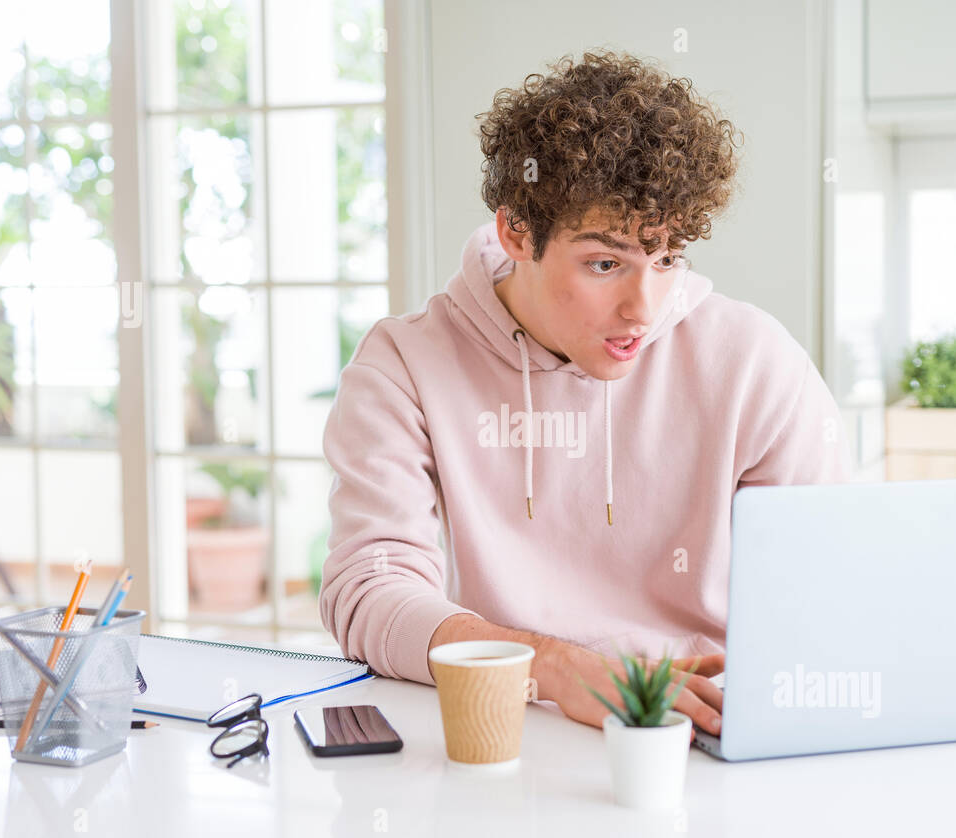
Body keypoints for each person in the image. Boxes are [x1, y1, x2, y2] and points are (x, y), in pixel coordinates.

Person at [319, 49, 852, 740]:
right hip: (511, 731)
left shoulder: (754, 361)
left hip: (703, 730)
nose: (643, 308)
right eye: (605, 263)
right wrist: (552, 667)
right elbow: (369, 590)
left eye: (666, 259)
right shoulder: (404, 365)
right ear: (517, 232)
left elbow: (827, 583)